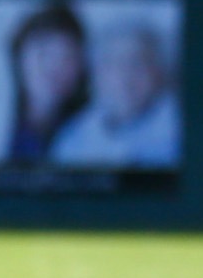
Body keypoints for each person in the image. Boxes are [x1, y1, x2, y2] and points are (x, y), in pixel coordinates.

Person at [52, 18, 181, 167]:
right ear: (96, 75)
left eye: (137, 62)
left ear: (159, 73)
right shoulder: (73, 137)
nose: (124, 75)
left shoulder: (179, 129)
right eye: (112, 63)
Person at [4, 0, 90, 163]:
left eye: (67, 57)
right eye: (43, 53)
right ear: (18, 56)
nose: (54, 67)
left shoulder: (89, 132)